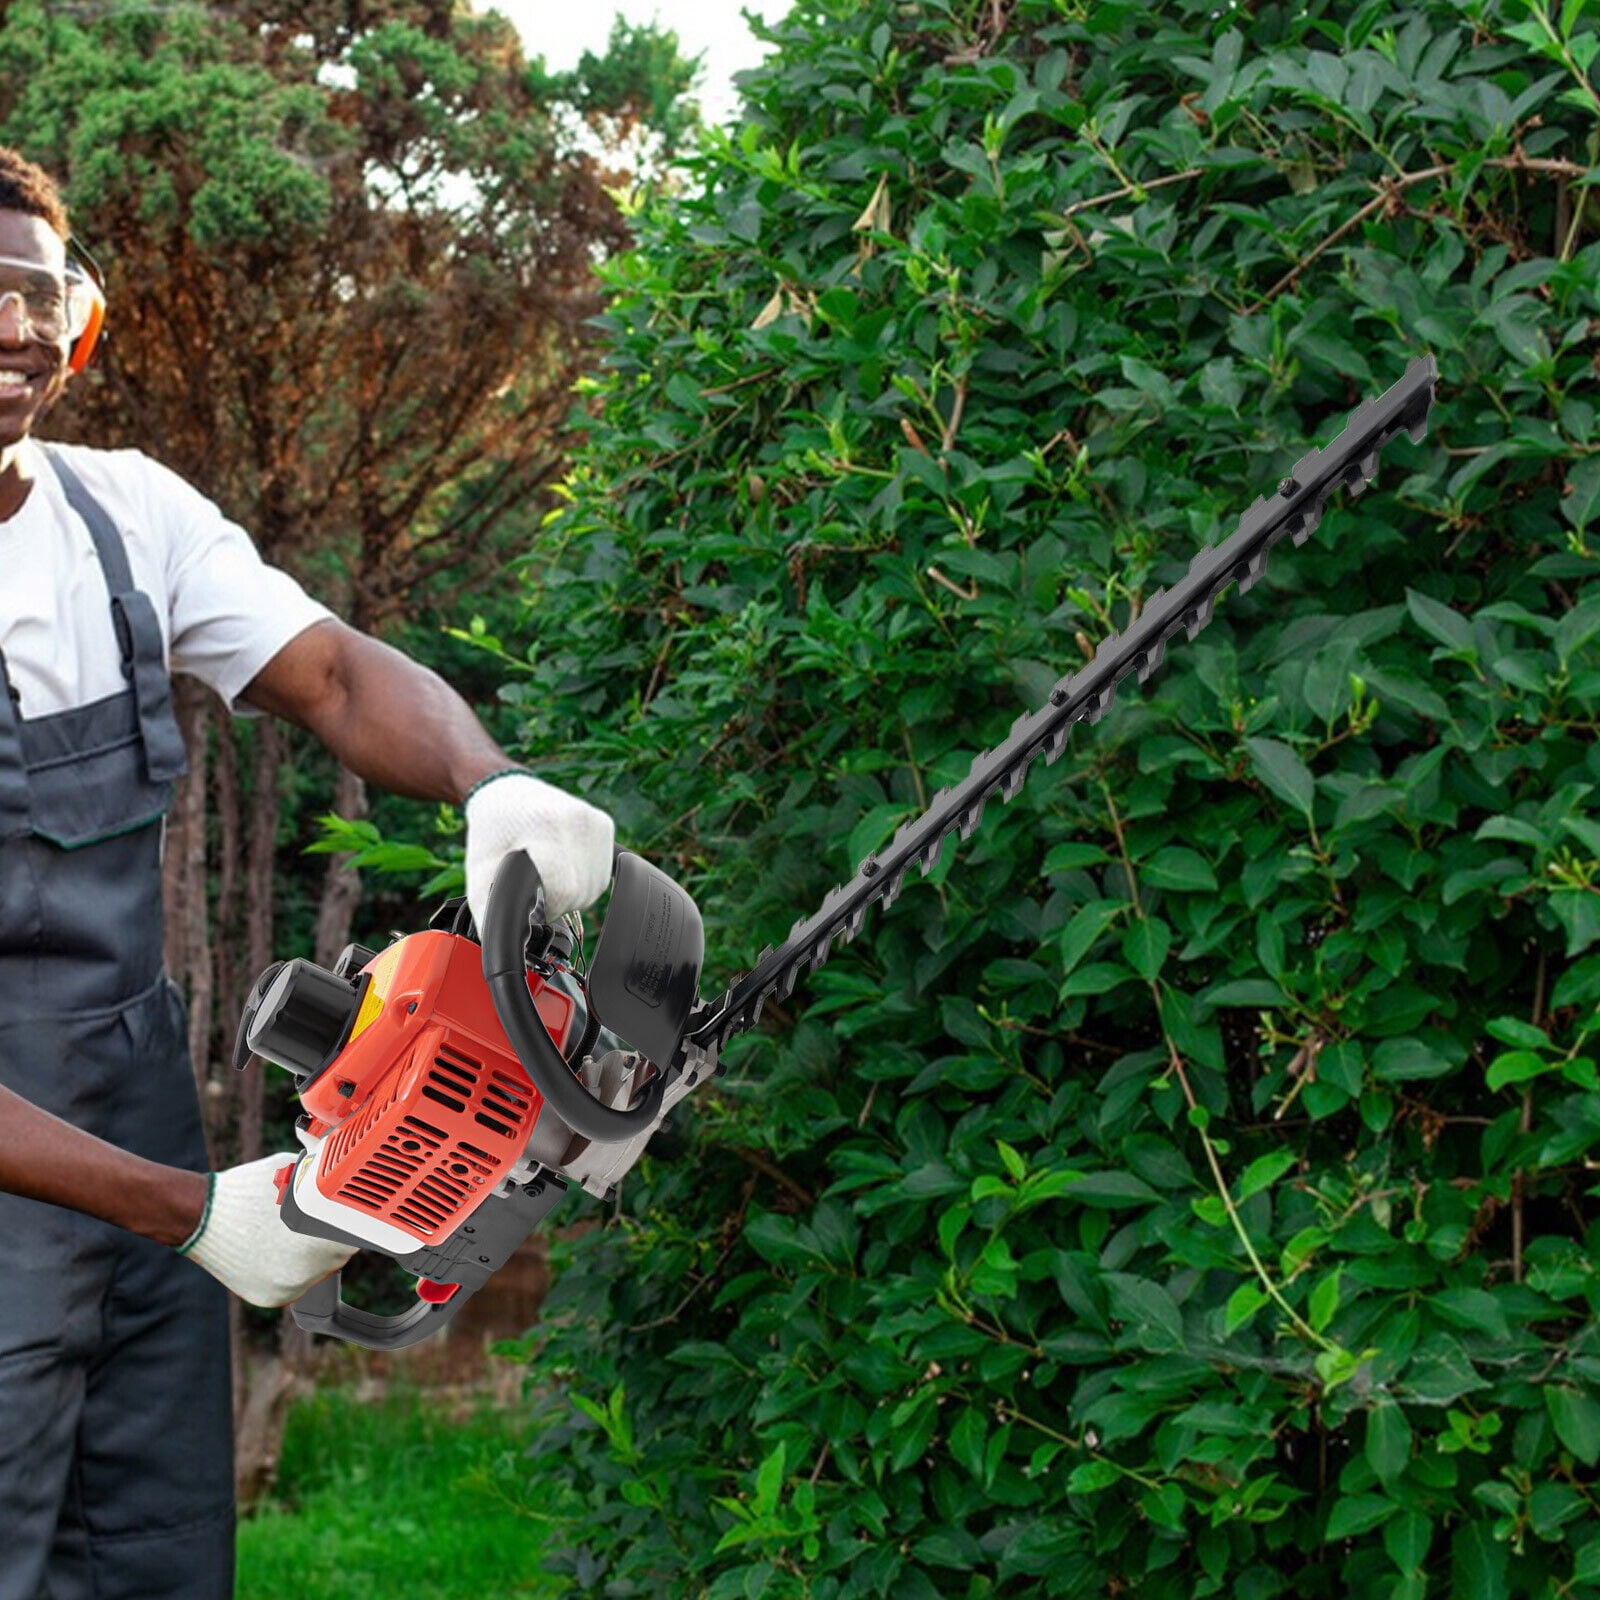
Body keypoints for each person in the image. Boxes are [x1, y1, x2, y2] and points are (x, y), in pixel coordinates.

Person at [0, 146, 616, 1597]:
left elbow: (334, 676)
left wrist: (494, 778)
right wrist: (194, 1208)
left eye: (37, 293)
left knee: (157, 1554)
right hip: (98, 1185)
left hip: (136, 1152)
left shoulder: (122, 519)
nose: (13, 329)